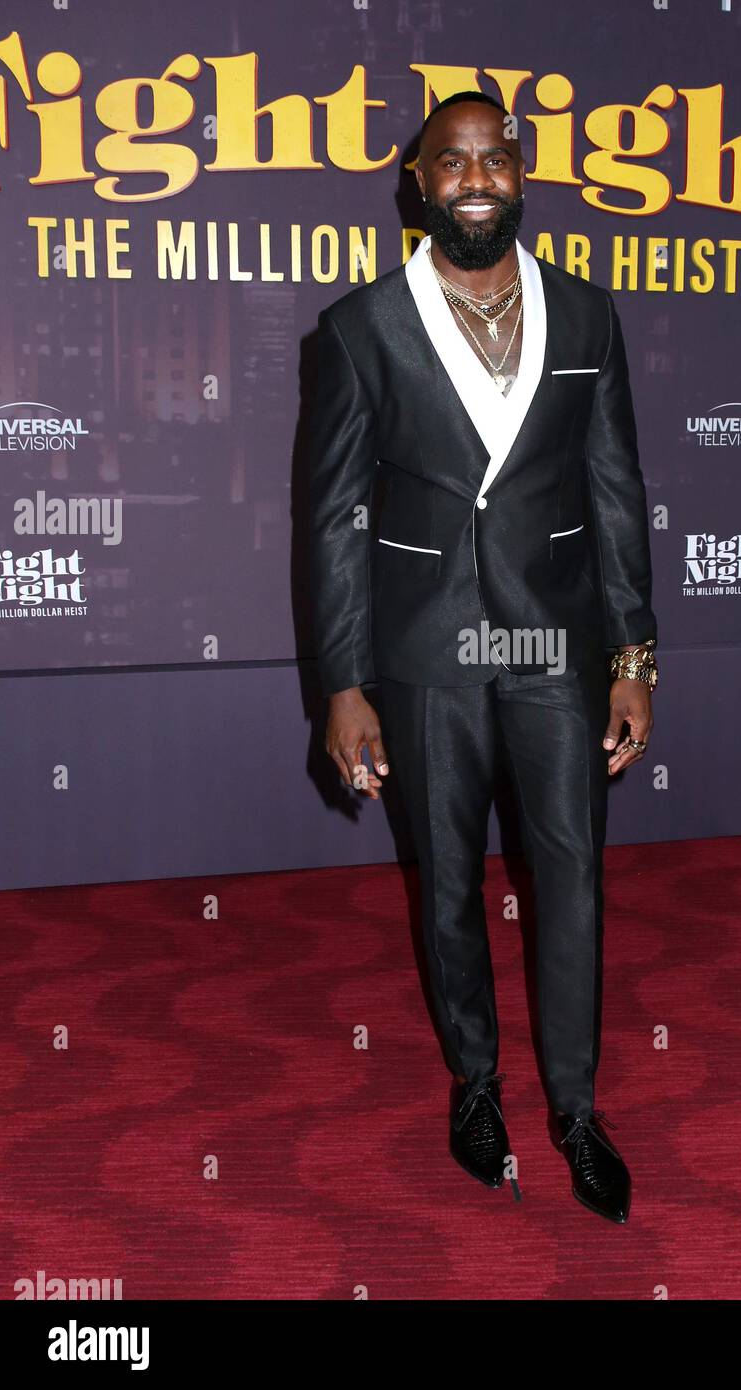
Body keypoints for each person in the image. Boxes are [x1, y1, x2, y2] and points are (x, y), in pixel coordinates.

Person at [306, 91, 657, 1223]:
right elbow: (332, 518)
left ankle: (573, 1107)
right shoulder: (359, 331)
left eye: (491, 158)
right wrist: (342, 683)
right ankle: (474, 1087)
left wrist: (634, 652)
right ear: (415, 181)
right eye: (448, 161)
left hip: (556, 643)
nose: (471, 178)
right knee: (448, 884)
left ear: (520, 170)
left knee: (572, 878)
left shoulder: (588, 319)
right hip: (425, 650)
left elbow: (615, 494)